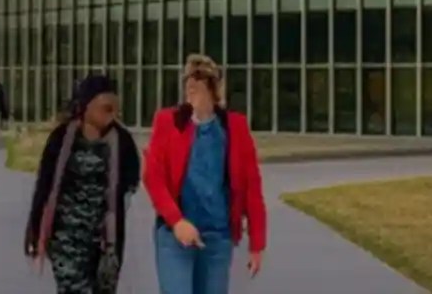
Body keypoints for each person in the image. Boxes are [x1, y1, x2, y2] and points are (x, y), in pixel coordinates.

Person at [144, 54, 268, 294]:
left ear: (214, 89)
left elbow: (252, 188)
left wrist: (257, 244)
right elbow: (153, 177)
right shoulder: (167, 122)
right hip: (175, 234)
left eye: (198, 86)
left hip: (217, 237)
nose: (191, 92)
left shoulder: (235, 127)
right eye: (188, 86)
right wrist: (176, 221)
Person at [24, 74, 140, 294]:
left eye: (114, 108)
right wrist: (35, 227)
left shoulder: (122, 141)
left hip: (105, 241)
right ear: (87, 107)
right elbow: (45, 185)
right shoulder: (62, 138)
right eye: (105, 108)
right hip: (66, 238)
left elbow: (131, 181)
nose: (111, 114)